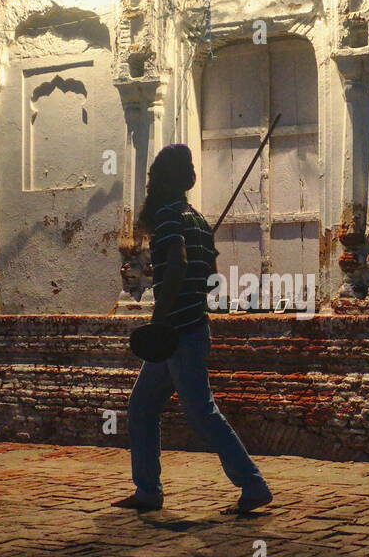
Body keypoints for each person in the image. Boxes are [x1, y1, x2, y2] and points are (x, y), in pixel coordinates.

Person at [117, 144, 273, 514]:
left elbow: (178, 264)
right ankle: (147, 492)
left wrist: (161, 314)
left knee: (202, 413)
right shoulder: (198, 221)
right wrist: (177, 277)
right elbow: (210, 277)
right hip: (188, 327)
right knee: (141, 407)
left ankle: (253, 485)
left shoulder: (169, 218)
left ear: (160, 181)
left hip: (177, 332)